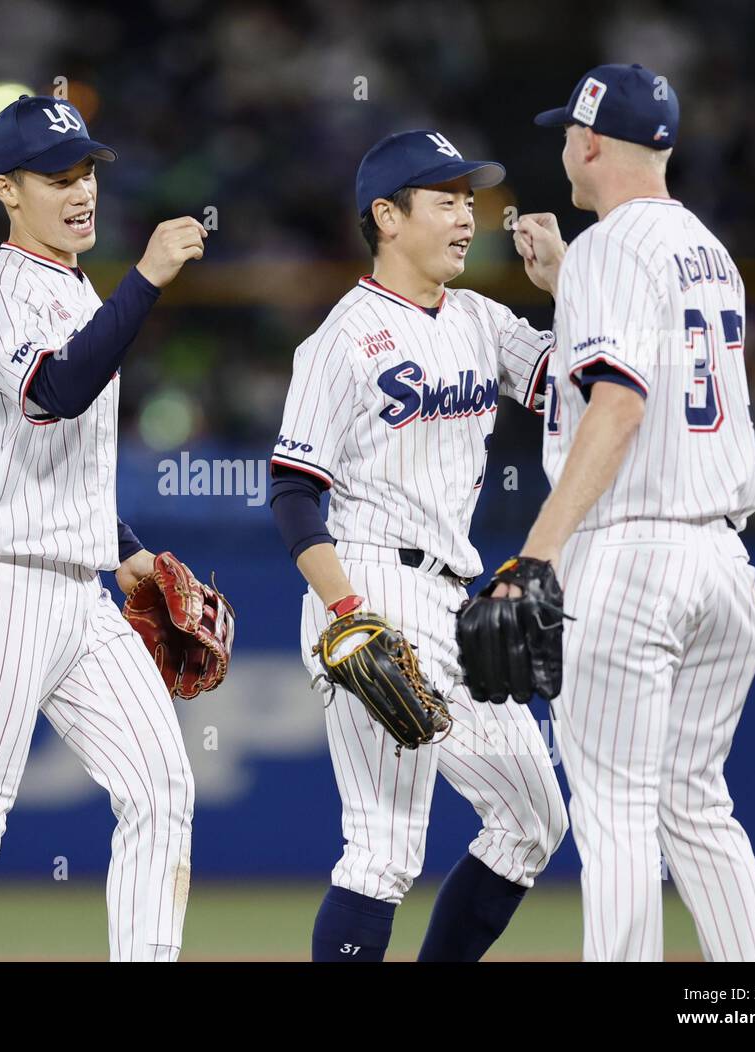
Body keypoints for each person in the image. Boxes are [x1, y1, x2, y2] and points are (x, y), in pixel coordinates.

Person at [473, 63, 755, 960]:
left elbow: (619, 404)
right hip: (723, 562)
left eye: (567, 132)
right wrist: (570, 283)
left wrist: (537, 554)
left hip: (634, 556)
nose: (563, 144)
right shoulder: (708, 249)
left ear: (588, 141)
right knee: (696, 803)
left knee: (614, 814)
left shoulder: (608, 245)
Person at [0, 96, 208, 962]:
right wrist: (146, 279)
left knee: (161, 787)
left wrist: (131, 551)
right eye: (57, 176)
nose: (81, 191)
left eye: (88, 172)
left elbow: (54, 467)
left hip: (77, 585)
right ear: (7, 189)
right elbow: (54, 394)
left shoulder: (76, 287)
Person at [270, 129, 568, 962]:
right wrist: (350, 617)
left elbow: (582, 383)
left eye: (471, 200)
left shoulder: (480, 318)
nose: (468, 217)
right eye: (446, 200)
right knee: (384, 847)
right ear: (387, 218)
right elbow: (294, 492)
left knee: (534, 821)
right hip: (368, 582)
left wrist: (570, 281)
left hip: (452, 595)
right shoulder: (342, 339)